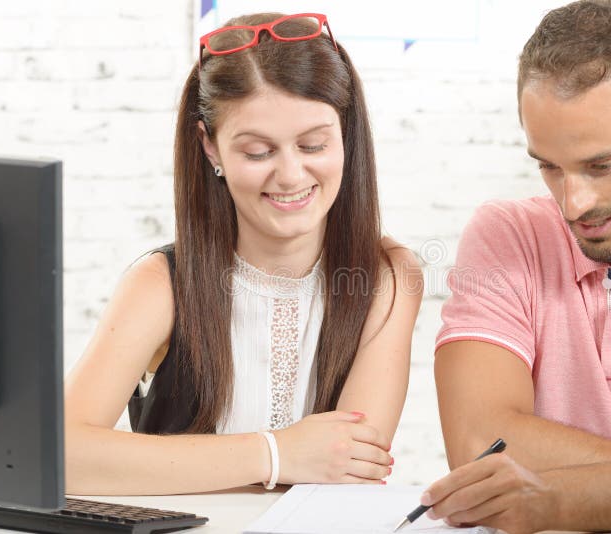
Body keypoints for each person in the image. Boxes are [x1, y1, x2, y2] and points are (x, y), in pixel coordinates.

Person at [64, 12, 422, 495]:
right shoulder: (161, 283)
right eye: (258, 152)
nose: (292, 175)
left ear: (347, 135)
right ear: (210, 148)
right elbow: (61, 455)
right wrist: (277, 453)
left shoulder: (387, 275)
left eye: (313, 144)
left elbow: (352, 464)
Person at [426, 1, 611, 532]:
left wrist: (561, 499)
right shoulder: (509, 237)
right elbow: (478, 444)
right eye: (549, 168)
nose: (574, 203)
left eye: (601, 166)